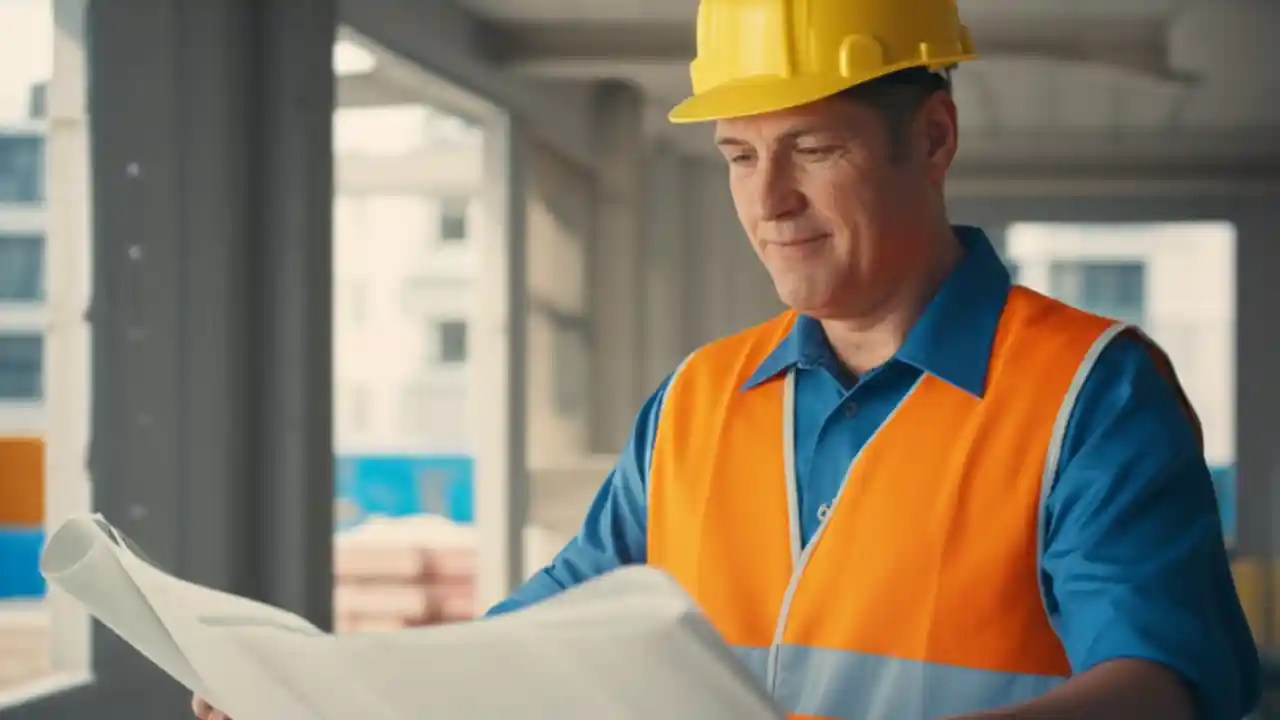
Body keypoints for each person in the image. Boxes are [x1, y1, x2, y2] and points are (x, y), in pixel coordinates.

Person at [195, 0, 1259, 718]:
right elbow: (539, 638)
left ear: (930, 139)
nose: (767, 203)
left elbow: (1165, 684)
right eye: (739, 157)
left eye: (812, 148)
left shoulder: (1086, 388)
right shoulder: (697, 401)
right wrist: (322, 692)